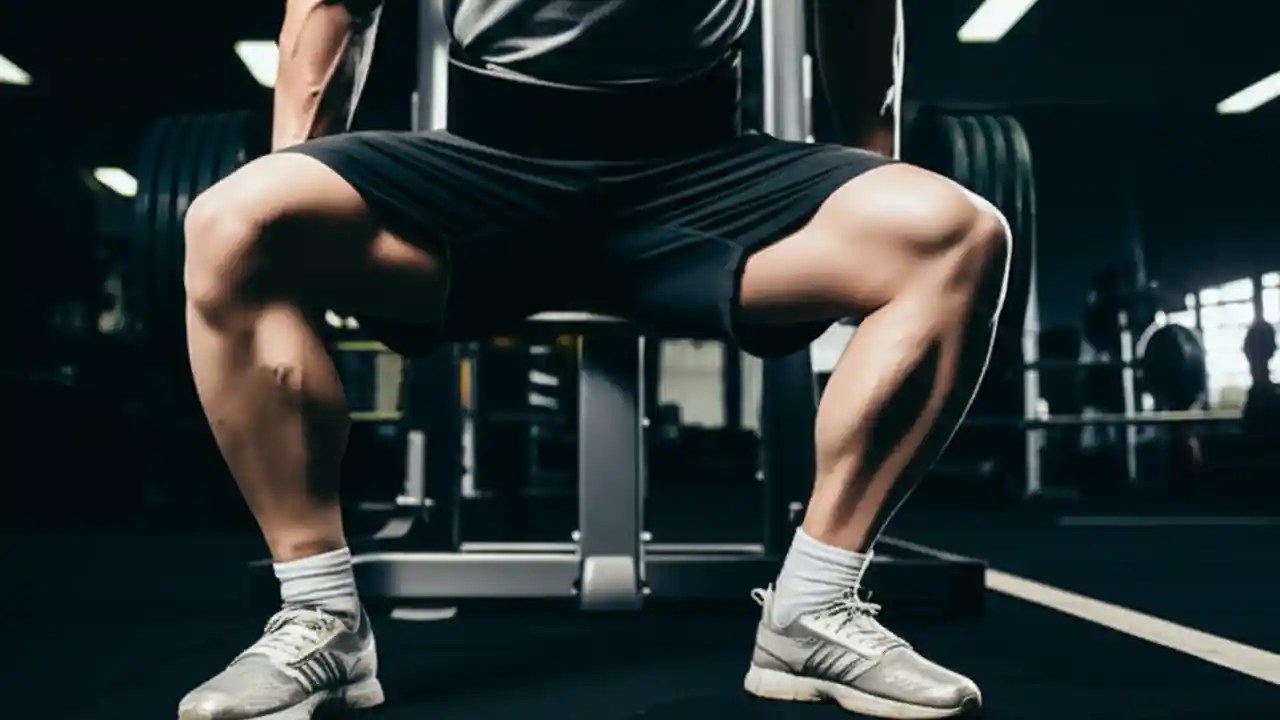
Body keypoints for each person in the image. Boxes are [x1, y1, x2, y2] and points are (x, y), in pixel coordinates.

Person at [176, 0, 1011, 718]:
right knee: (237, 225)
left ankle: (814, 604)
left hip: (702, 174)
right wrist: (303, 182)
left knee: (955, 235)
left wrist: (861, 172)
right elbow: (333, 7)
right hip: (480, 173)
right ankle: (321, 617)